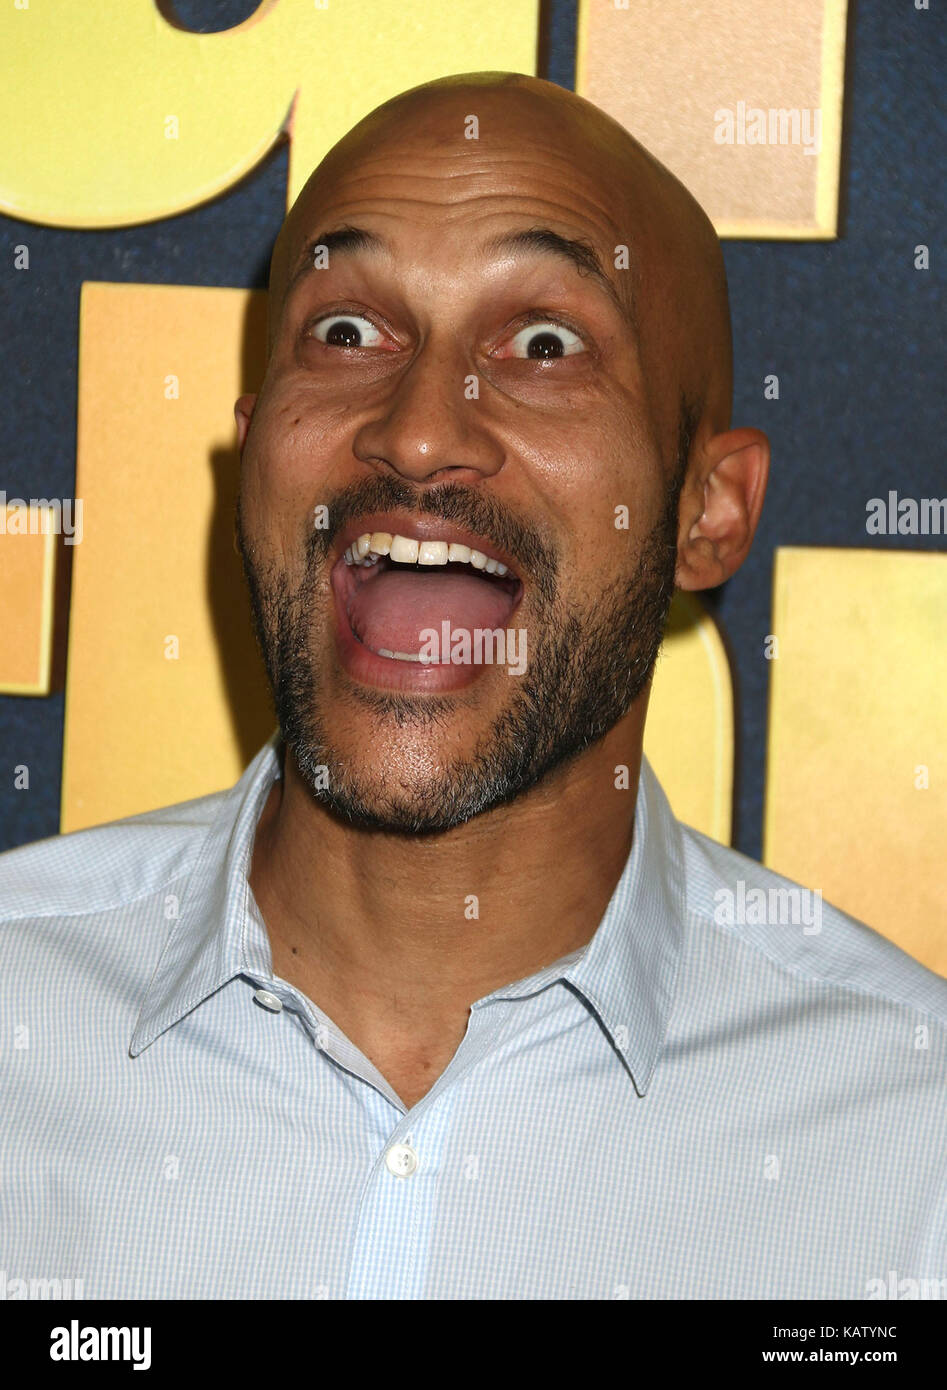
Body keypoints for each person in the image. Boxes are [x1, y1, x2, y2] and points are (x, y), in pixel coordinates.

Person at [1, 73, 944, 1302]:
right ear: (252, 446)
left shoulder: (907, 1146)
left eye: (543, 344)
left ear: (706, 511)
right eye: (348, 332)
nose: (417, 428)